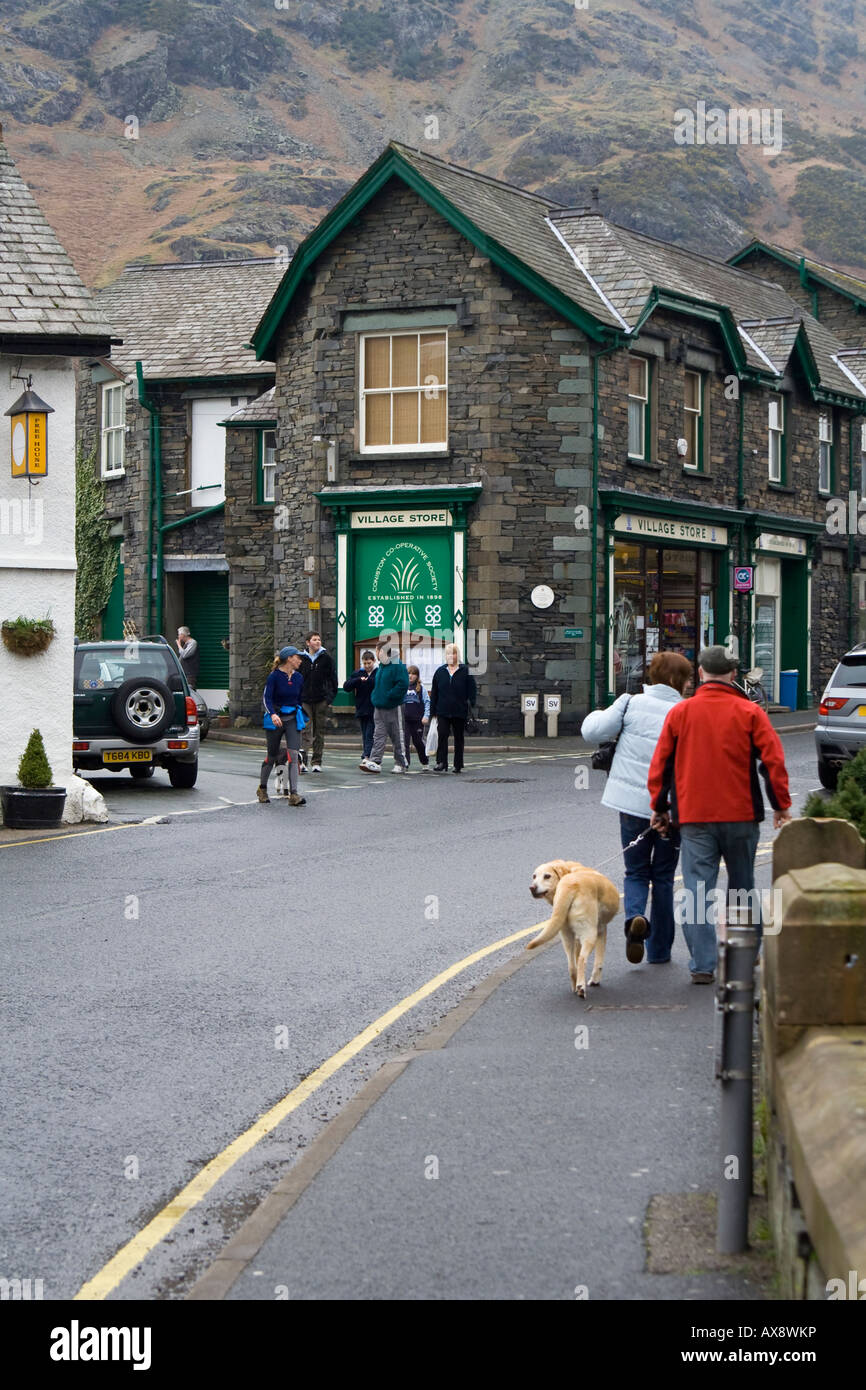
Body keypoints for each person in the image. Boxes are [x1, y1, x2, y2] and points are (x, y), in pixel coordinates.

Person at [647, 644, 792, 984]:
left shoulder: (680, 714)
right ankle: (746, 958)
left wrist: (659, 807)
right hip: (741, 815)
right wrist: (780, 805)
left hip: (694, 816)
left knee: (698, 890)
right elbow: (773, 762)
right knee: (743, 885)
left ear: (700, 674)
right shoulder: (750, 713)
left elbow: (661, 766)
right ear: (733, 675)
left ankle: (702, 965)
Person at [582, 652, 692, 967]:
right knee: (664, 878)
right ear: (677, 681)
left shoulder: (630, 702)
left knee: (636, 871)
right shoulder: (684, 710)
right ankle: (659, 952)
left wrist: (598, 712)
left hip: (630, 803)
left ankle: (634, 918)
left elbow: (593, 731)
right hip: (670, 808)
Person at [258, 646, 307, 806]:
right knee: (272, 756)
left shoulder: (299, 677)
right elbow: (267, 698)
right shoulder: (274, 677)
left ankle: (294, 794)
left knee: (293, 755)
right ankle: (262, 788)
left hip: (292, 718)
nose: (300, 660)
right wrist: (272, 714)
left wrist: (300, 714)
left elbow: (300, 698)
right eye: (297, 657)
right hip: (275, 719)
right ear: (289, 659)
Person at [361, 639, 409, 774]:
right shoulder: (382, 665)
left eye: (376, 650)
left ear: (381, 651)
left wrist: (389, 696)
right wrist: (376, 696)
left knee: (397, 735)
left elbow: (403, 684)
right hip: (379, 706)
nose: (375, 653)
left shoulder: (397, 665)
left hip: (393, 706)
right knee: (378, 735)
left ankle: (401, 762)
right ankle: (375, 761)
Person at [429, 642, 477, 774]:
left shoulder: (465, 671)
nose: (451, 656)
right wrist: (432, 712)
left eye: (453, 653)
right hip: (442, 710)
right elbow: (434, 693)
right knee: (442, 735)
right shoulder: (440, 672)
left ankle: (458, 764)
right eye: (449, 653)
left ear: (457, 655)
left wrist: (471, 703)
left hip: (459, 710)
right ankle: (441, 762)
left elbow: (472, 689)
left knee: (458, 738)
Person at [297, 631, 337, 773]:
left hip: (321, 700)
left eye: (319, 639)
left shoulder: (326, 658)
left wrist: (329, 698)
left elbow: (333, 679)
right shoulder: (301, 659)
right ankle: (302, 762)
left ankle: (317, 762)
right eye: (314, 640)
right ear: (308, 643)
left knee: (319, 731)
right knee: (305, 730)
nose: (318, 642)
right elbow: (297, 679)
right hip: (305, 700)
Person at [343, 650, 377, 765]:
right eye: (365, 663)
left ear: (374, 661)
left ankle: (367, 755)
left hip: (374, 707)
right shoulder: (358, 673)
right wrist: (358, 680)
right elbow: (346, 686)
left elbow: (378, 684)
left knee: (370, 733)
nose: (367, 666)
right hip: (362, 707)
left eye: (369, 663)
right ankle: (367, 754)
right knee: (365, 732)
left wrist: (368, 681)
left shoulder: (378, 672)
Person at [403, 665, 431, 770]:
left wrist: (426, 716)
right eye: (409, 673)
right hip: (405, 719)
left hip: (418, 720)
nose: (411, 676)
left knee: (418, 742)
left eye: (413, 674)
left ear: (417, 676)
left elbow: (427, 702)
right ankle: (405, 763)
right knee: (404, 742)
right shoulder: (403, 687)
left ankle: (425, 761)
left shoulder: (421, 688)